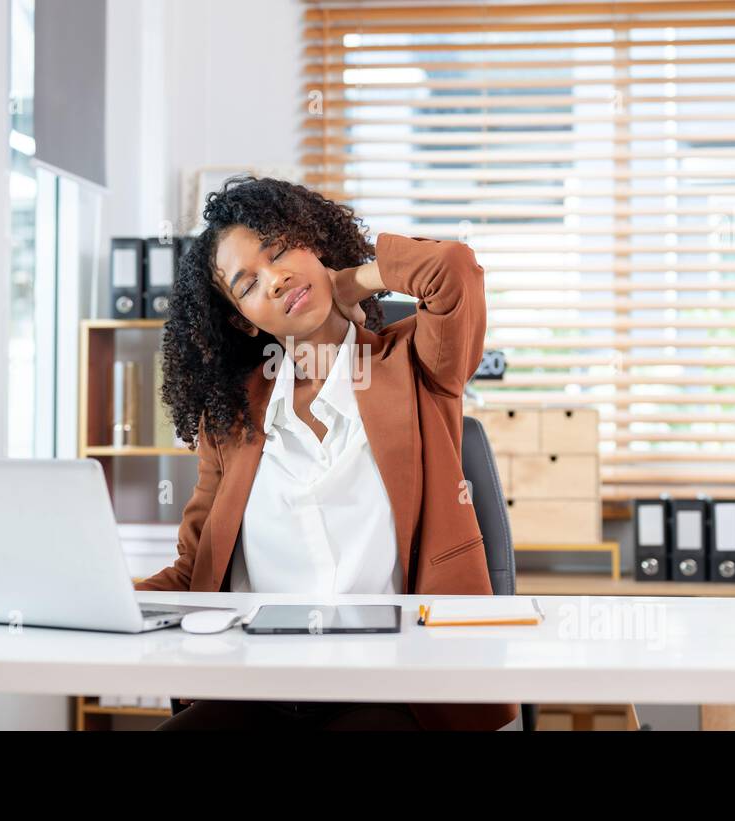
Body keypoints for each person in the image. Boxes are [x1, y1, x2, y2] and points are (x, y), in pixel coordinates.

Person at [137, 176, 517, 731]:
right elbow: (197, 572)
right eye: (248, 284)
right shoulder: (231, 420)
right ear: (245, 320)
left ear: (314, 243)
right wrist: (102, 600)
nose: (276, 279)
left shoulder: (417, 366)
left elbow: (452, 270)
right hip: (256, 692)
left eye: (281, 249)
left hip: (392, 692)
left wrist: (354, 280)